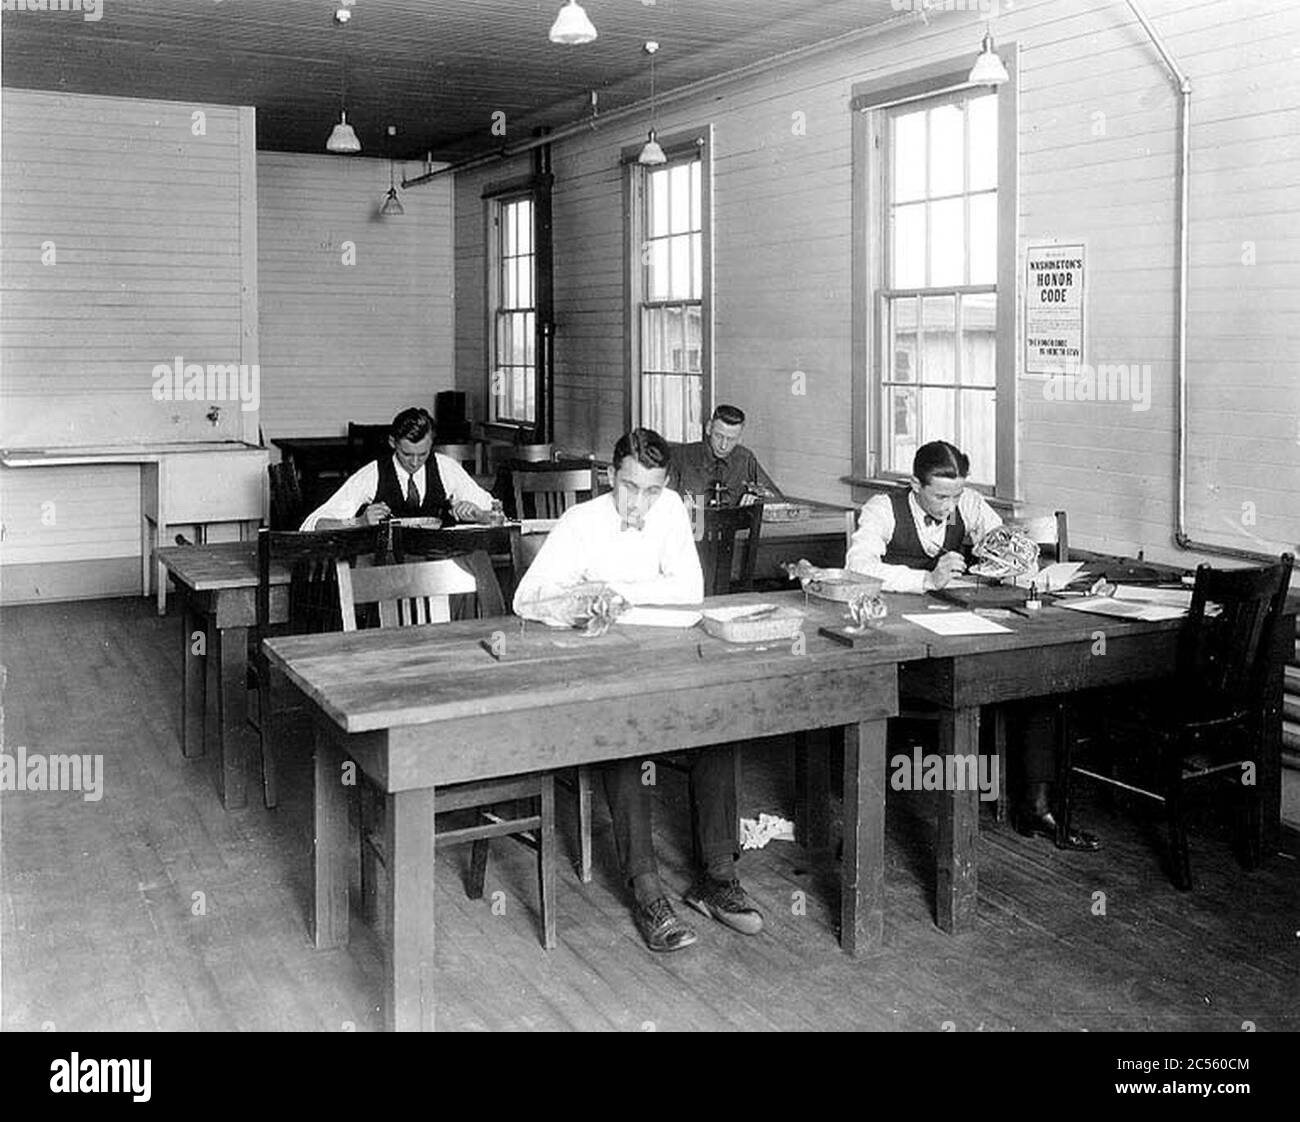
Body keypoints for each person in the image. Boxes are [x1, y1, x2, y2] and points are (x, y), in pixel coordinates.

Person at [513, 427, 764, 951]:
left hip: (664, 664)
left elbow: (689, 592)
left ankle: (717, 878)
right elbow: (527, 598)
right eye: (630, 488)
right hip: (602, 676)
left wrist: (615, 592)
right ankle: (647, 890)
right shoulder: (580, 522)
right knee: (621, 738)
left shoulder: (670, 508)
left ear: (666, 484)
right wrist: (577, 602)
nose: (640, 503)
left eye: (651, 490)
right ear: (610, 477)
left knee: (721, 721)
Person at [845, 440, 1100, 851]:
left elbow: (1008, 545)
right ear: (914, 484)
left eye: (956, 495)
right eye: (940, 495)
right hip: (901, 640)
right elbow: (857, 566)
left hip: (960, 629)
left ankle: (1035, 809)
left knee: (1038, 674)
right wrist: (926, 580)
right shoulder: (883, 508)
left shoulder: (969, 503)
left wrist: (1009, 558)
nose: (949, 506)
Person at [298, 407, 496, 530]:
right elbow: (313, 525)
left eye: (423, 454)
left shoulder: (446, 468)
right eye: (407, 454)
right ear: (393, 442)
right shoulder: (373, 474)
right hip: (387, 569)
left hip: (436, 568)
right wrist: (359, 522)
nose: (415, 462)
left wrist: (479, 515)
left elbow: (497, 515)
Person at [668, 403, 782, 508]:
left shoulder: (744, 458)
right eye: (719, 436)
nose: (723, 446)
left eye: (731, 439)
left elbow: (775, 498)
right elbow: (660, 500)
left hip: (734, 528)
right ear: (709, 428)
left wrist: (758, 500)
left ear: (740, 438)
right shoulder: (681, 456)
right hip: (693, 526)